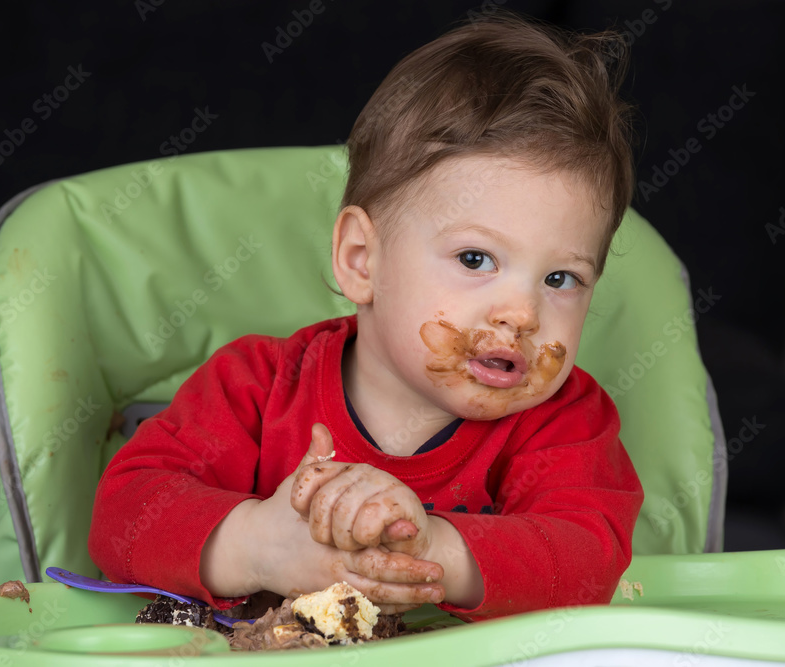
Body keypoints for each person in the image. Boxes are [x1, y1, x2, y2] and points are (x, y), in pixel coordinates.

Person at [88, 13, 643, 622]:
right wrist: (260, 547)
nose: (522, 314)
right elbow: (122, 515)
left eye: (561, 279)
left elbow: (587, 563)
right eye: (475, 259)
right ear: (362, 259)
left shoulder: (566, 424)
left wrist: (433, 551)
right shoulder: (256, 389)